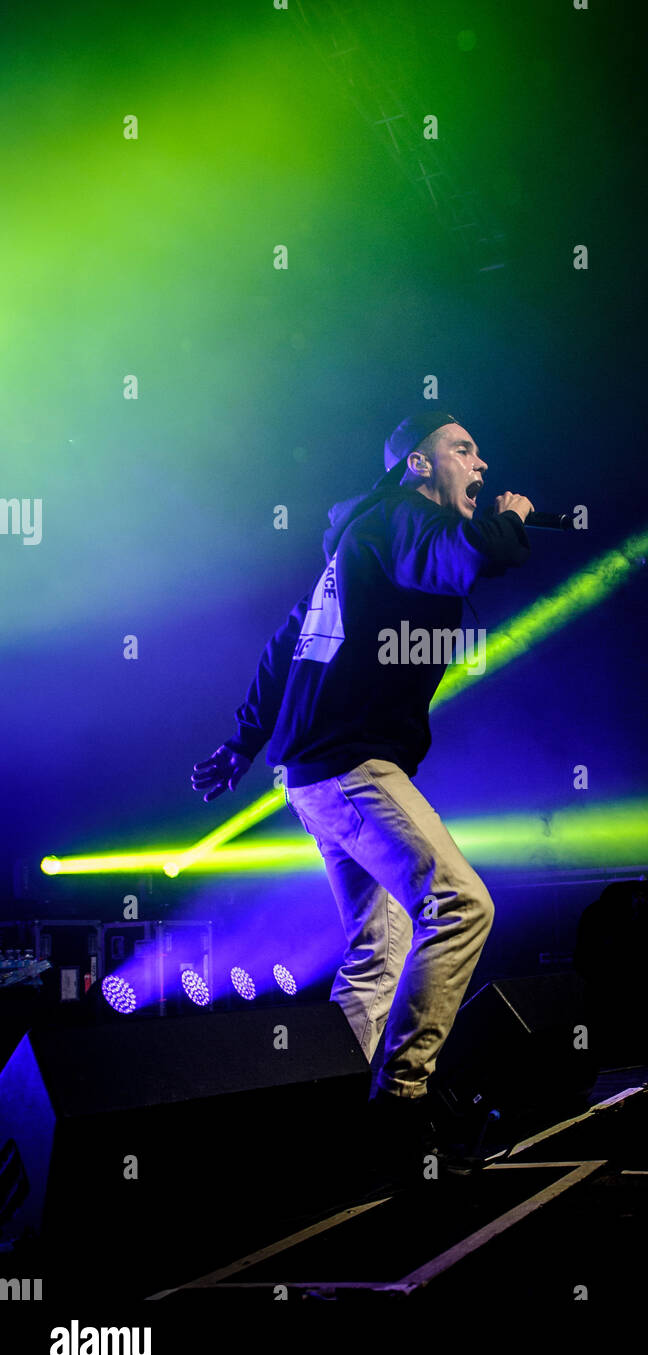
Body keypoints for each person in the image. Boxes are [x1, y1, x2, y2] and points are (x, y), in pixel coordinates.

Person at [191, 410, 533, 1182]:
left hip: (316, 772)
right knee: (461, 905)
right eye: (463, 449)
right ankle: (399, 1104)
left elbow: (287, 646)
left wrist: (241, 744)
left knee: (377, 953)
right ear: (417, 464)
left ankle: (331, 1122)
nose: (480, 464)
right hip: (349, 766)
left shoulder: (360, 542)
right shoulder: (404, 518)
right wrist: (510, 522)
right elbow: (475, 559)